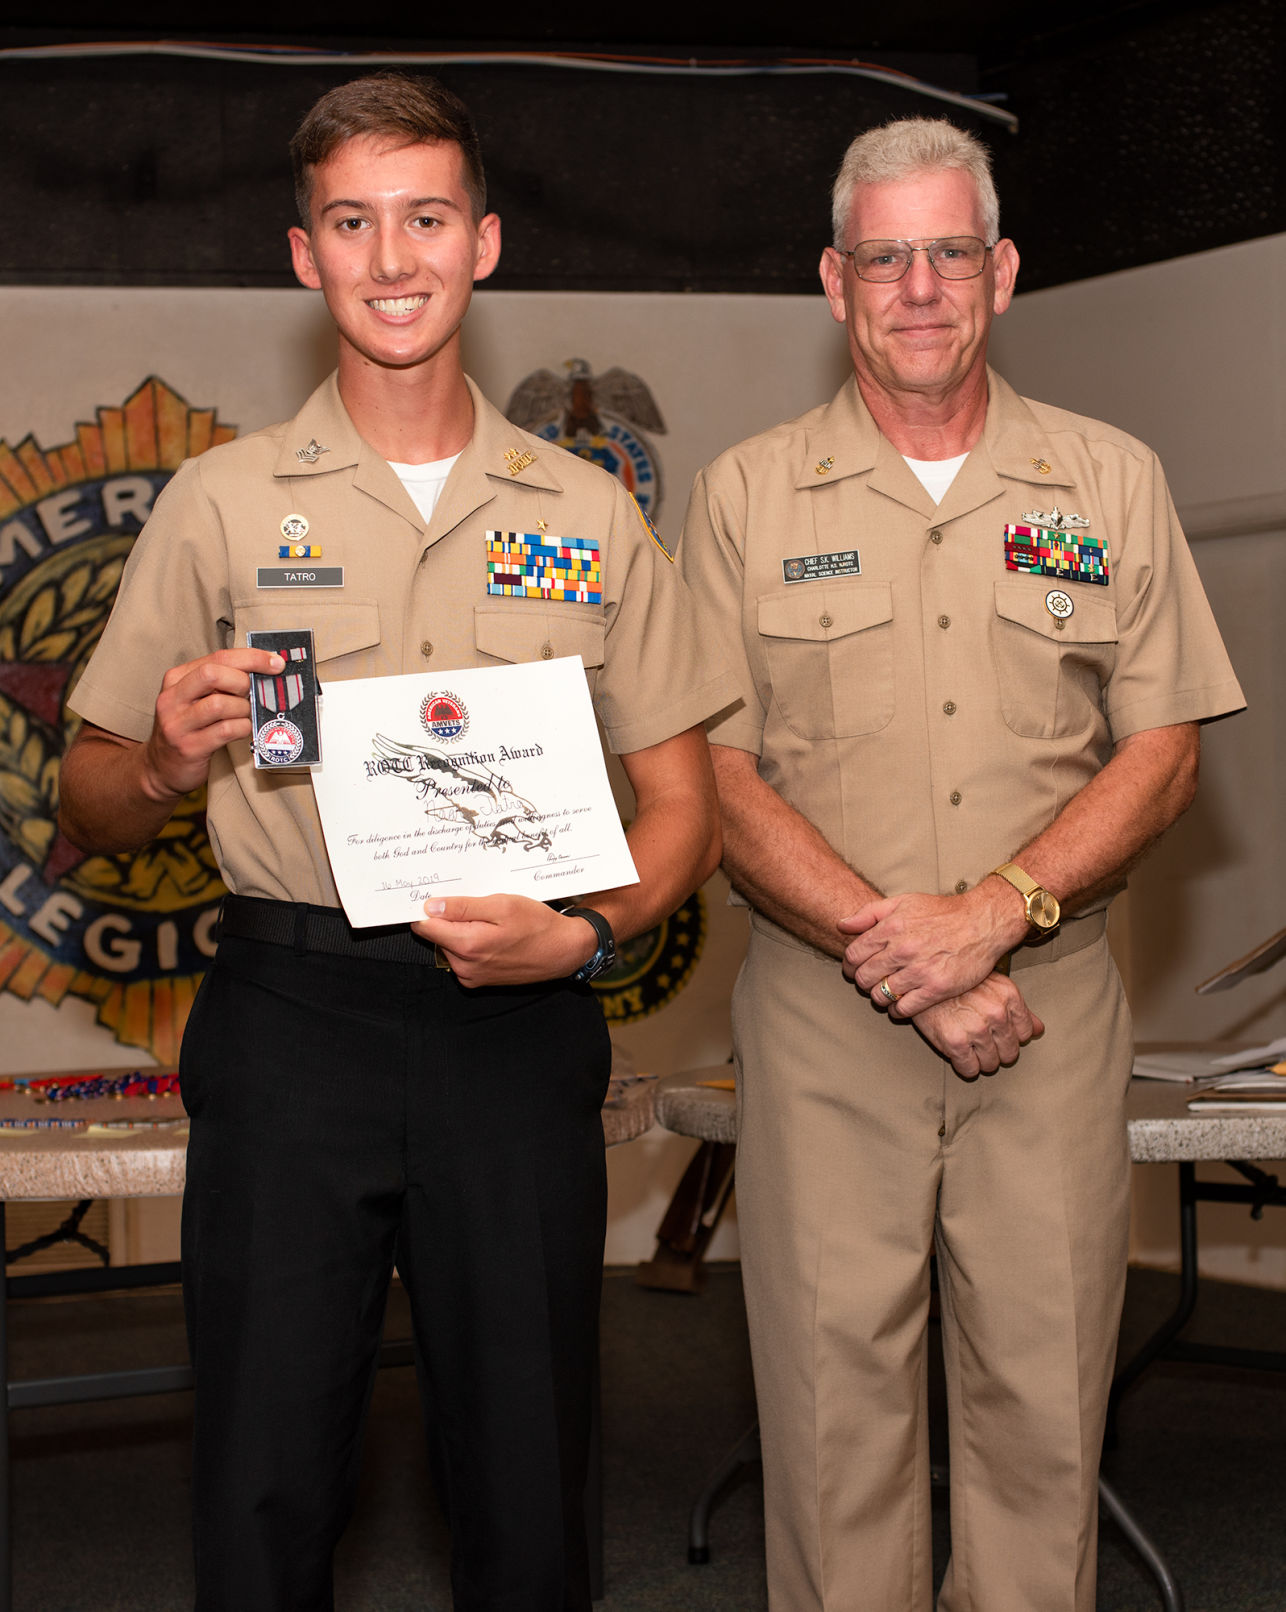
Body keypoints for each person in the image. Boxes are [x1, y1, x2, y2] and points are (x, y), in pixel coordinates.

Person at [59, 72, 734, 1612]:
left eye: (424, 217)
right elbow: (89, 801)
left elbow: (685, 803)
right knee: (265, 1472)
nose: (391, 256)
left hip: (517, 1022)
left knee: (523, 1476)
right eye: (351, 223)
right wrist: (162, 756)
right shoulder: (218, 508)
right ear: (305, 257)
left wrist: (590, 935)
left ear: (481, 242)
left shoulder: (589, 511)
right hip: (295, 1020)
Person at [679, 117, 1244, 1611]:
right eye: (883, 256)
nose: (915, 287)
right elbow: (710, 776)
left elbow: (1163, 748)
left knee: (1041, 1414)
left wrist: (995, 917)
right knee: (830, 1415)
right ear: (832, 280)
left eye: (945, 252)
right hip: (821, 1023)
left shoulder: (1105, 482)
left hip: (1046, 1019)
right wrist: (911, 959)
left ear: (998, 271)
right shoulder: (744, 497)